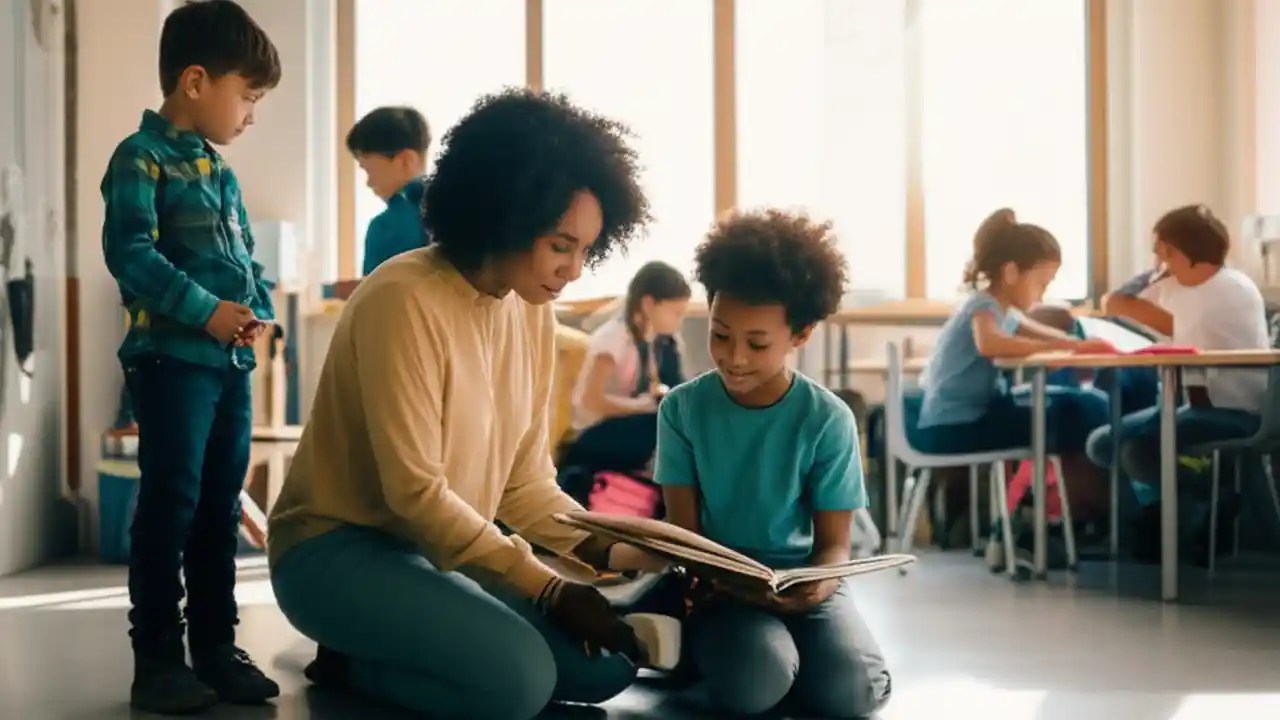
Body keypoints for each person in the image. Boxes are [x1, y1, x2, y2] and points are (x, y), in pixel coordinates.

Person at [268, 88, 663, 720]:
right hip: (332, 552)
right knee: (520, 683)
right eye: (561, 245)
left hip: (429, 554)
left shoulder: (529, 311)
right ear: (507, 211)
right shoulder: (401, 297)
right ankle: (349, 658)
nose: (573, 271)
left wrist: (619, 554)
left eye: (586, 250)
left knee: (607, 668)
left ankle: (417, 652)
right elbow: (416, 495)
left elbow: (525, 488)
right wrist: (549, 587)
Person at [100, 0, 282, 713]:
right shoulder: (138, 158)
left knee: (217, 508)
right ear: (197, 81)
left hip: (227, 371)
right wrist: (207, 313)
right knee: (170, 506)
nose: (251, 115)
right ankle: (157, 660)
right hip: (171, 365)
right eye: (249, 96)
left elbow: (244, 261)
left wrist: (256, 308)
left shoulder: (222, 171)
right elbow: (130, 255)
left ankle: (217, 648)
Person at [654, 209, 891, 718]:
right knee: (758, 681)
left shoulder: (827, 418)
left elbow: (833, 547)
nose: (734, 357)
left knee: (852, 695)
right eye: (720, 334)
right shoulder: (682, 410)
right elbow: (685, 536)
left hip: (804, 583)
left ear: (800, 335)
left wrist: (815, 589)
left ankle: (791, 657)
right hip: (724, 588)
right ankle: (740, 656)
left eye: (757, 343)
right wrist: (715, 584)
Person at [1085, 205, 1277, 554]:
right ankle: (1207, 495)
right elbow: (1113, 302)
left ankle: (1182, 520)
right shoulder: (1181, 286)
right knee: (1104, 443)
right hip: (1193, 406)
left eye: (1162, 255)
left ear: (1175, 251)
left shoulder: (1228, 290)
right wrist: (1153, 275)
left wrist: (1153, 283)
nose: (1159, 266)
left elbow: (1179, 338)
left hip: (1234, 409)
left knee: (1133, 448)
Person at [910, 208, 1114, 456]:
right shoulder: (983, 304)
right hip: (955, 427)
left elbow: (1051, 337)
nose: (1041, 295)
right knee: (1077, 411)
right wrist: (1060, 348)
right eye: (1042, 284)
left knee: (1084, 404)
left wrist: (1077, 345)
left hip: (972, 416)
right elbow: (990, 344)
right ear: (1011, 273)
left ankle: (1066, 488)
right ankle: (1072, 490)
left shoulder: (1005, 312)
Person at [561, 260, 691, 479]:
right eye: (675, 313)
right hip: (594, 433)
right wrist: (640, 406)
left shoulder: (663, 343)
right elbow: (591, 401)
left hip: (631, 425)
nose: (678, 322)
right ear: (649, 304)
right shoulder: (614, 338)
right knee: (661, 427)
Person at [346, 105, 432, 275]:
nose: (369, 183)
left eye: (368, 170)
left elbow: (373, 297)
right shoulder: (458, 213)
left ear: (406, 160)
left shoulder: (385, 227)